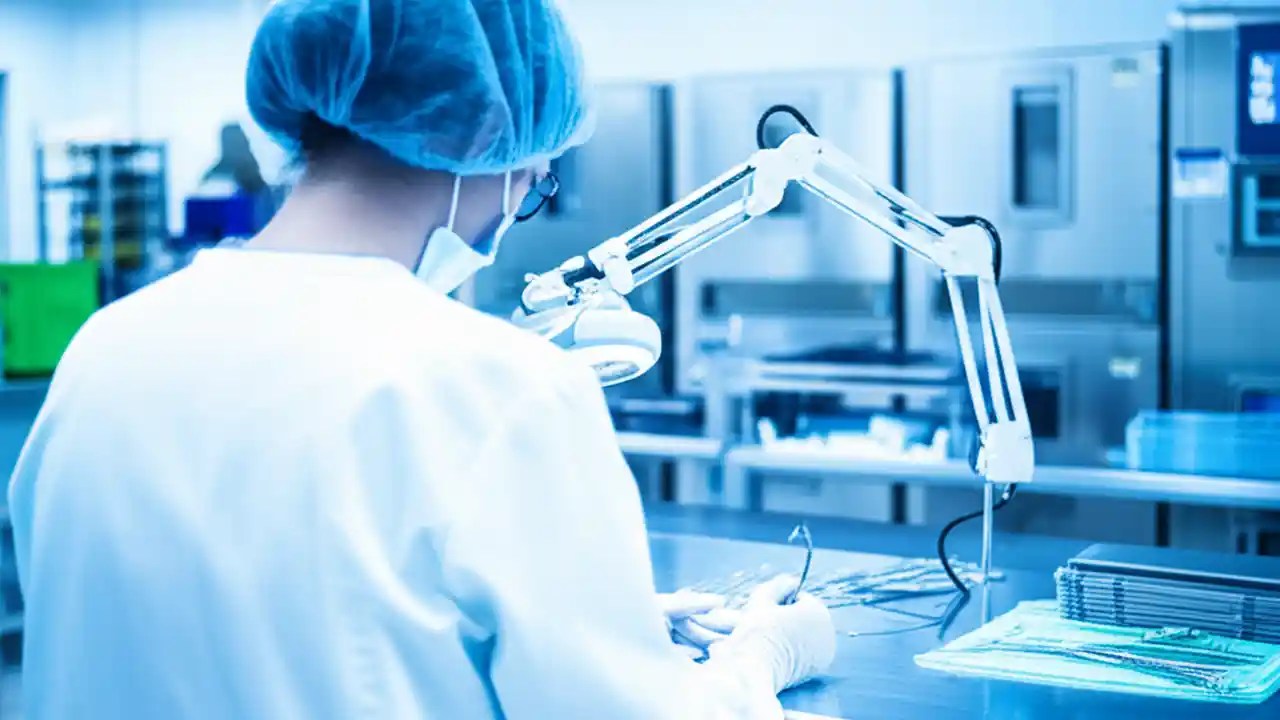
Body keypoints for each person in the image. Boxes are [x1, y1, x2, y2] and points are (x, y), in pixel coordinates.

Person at [8, 1, 834, 718]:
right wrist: (763, 658)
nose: (522, 199)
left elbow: (228, 614)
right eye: (537, 184)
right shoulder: (496, 387)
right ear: (495, 140)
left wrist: (554, 615)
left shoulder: (106, 351)